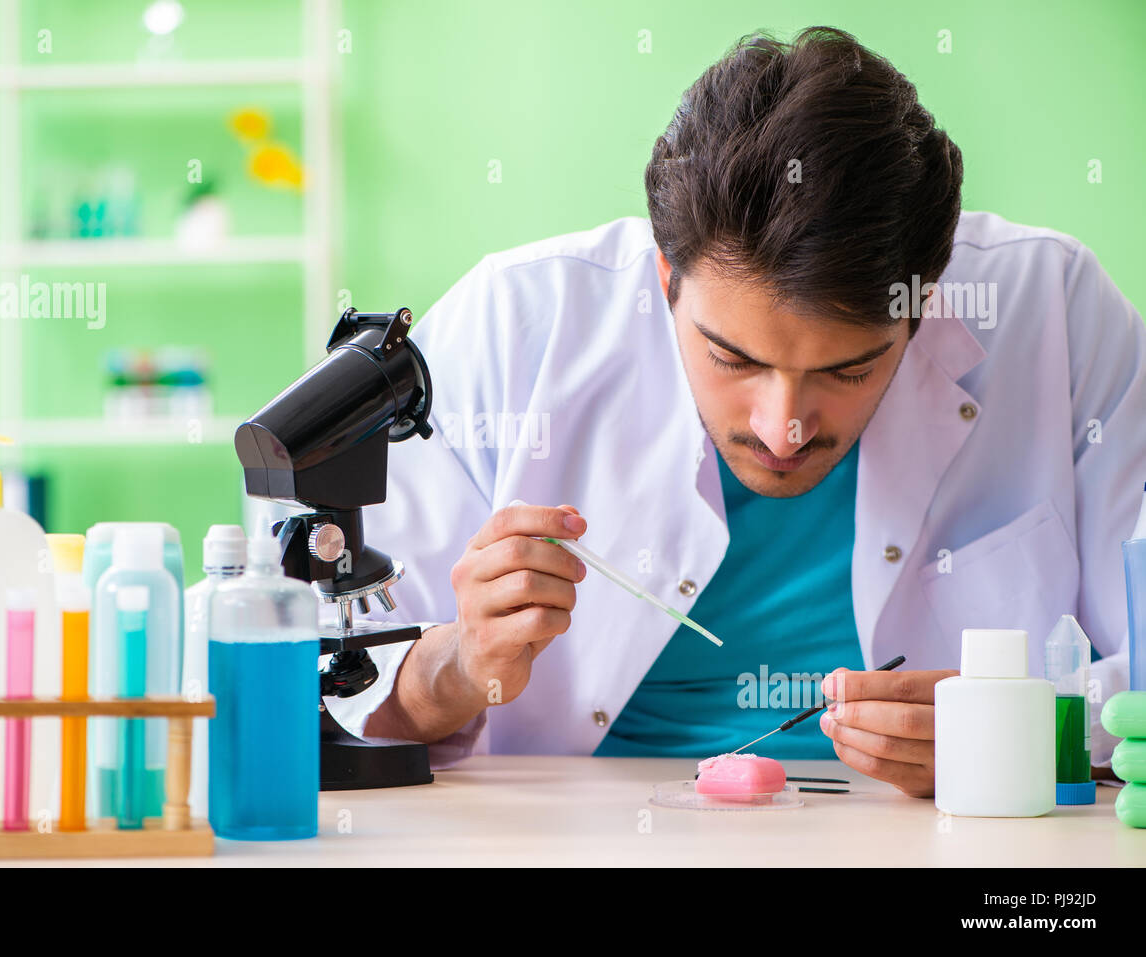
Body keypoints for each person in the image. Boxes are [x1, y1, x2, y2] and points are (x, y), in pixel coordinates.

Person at [324, 26, 1145, 797]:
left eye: (851, 367)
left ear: (924, 304)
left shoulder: (1055, 314)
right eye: (734, 359)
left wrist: (1022, 734)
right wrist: (462, 666)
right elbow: (332, 700)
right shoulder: (513, 328)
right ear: (664, 278)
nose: (783, 426)